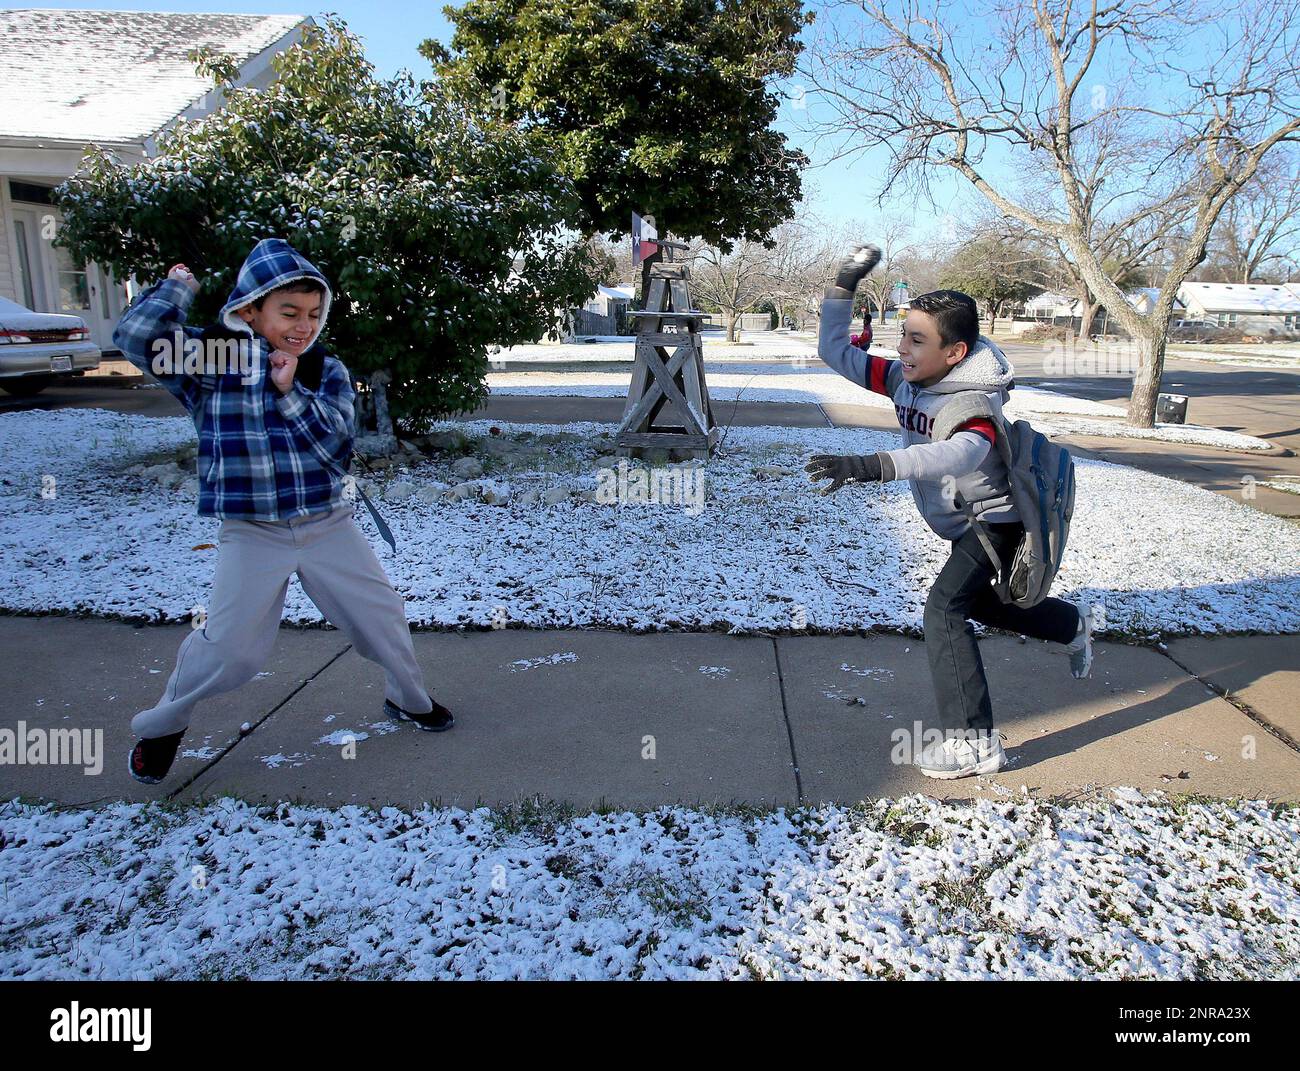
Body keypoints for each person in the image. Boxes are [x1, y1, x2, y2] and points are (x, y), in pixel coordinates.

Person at [113, 238, 453, 785]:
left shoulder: (323, 367)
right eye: (288, 312)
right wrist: (177, 286)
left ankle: (407, 699)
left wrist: (289, 389)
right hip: (252, 531)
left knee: (381, 618)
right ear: (250, 309)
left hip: (327, 523)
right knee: (232, 652)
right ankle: (162, 726)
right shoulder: (210, 359)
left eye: (314, 314)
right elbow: (133, 338)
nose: (303, 325)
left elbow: (335, 443)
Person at [806, 245, 1093, 780]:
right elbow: (834, 351)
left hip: (995, 522)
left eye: (918, 340)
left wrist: (873, 464)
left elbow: (958, 453)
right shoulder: (904, 378)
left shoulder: (972, 404)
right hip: (963, 522)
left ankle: (974, 742)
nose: (903, 349)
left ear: (956, 352)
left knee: (943, 611)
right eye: (903, 336)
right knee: (981, 605)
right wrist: (843, 285)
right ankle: (1070, 624)